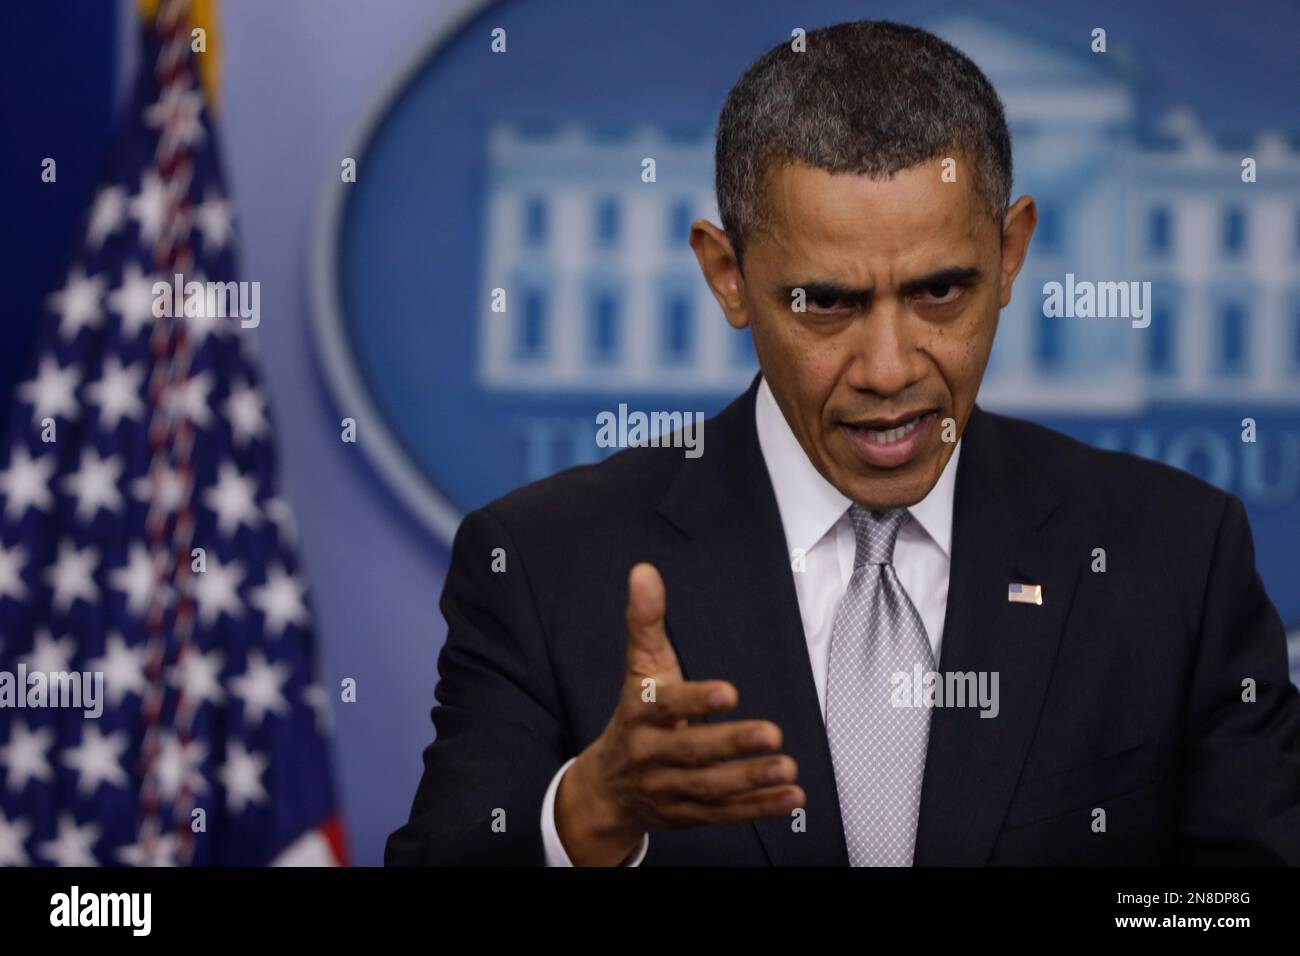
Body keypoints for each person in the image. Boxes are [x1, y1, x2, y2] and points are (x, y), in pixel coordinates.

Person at [386, 20, 1300, 866]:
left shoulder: (1174, 554)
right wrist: (586, 817)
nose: (889, 367)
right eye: (827, 302)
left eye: (941, 291)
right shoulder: (545, 564)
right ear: (728, 277)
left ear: (1012, 250)